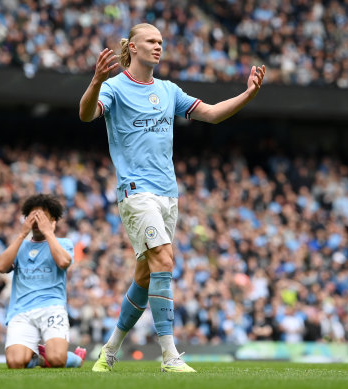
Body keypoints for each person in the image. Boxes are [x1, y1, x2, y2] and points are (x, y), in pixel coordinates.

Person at [79, 23, 265, 373]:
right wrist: (94, 83)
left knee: (146, 275)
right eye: (151, 41)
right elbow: (86, 114)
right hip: (136, 193)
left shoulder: (168, 90)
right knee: (165, 260)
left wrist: (248, 96)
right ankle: (169, 356)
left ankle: (109, 350)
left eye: (161, 41)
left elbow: (210, 114)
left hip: (168, 194)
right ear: (132, 47)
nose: (158, 46)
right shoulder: (114, 88)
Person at [0, 194, 86, 369]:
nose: (37, 221)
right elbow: (0, 266)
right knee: (15, 363)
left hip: (51, 308)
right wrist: (22, 233)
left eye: (42, 217)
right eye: (33, 216)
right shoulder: (19, 245)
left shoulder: (63, 243)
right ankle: (38, 358)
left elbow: (63, 262)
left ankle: (75, 359)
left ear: (53, 219)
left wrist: (48, 233)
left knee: (58, 360)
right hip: (21, 311)